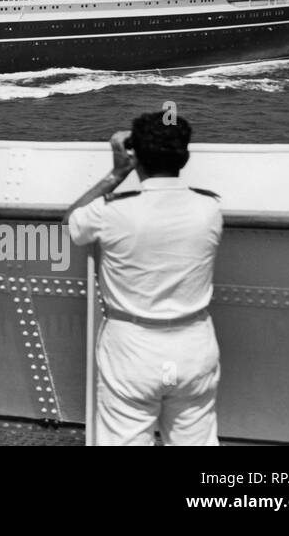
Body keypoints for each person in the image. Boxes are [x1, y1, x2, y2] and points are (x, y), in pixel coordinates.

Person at [63, 113, 223, 446]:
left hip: (131, 348)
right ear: (185, 156)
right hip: (195, 343)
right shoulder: (209, 210)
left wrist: (118, 172)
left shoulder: (112, 213)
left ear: (135, 155)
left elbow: (72, 222)